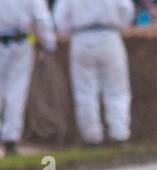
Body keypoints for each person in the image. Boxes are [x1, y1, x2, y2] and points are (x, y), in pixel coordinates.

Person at [52, 0, 133, 145]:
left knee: (85, 91)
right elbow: (126, 10)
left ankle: (92, 137)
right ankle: (119, 134)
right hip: (109, 35)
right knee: (116, 89)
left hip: (81, 36)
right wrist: (119, 24)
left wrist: (68, 30)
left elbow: (60, 18)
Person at [0, 0, 56, 156]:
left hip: (18, 41)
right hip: (20, 42)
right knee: (16, 91)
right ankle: (10, 139)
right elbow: (42, 19)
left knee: (12, 92)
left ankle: (10, 139)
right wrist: (48, 44)